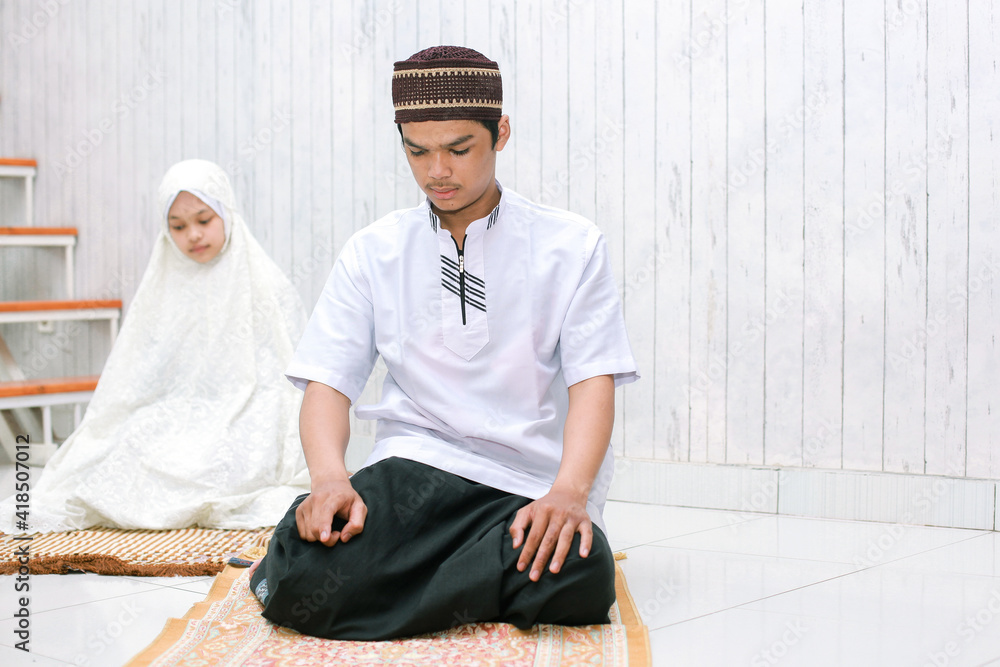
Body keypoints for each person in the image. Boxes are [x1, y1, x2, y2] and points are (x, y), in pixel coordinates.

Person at [250, 46, 638, 640]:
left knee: (582, 575)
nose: (438, 171)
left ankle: (408, 581)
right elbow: (329, 380)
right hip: (417, 470)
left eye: (459, 150)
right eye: (417, 151)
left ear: (499, 132)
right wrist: (329, 478)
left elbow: (594, 381)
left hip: (525, 485)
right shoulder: (372, 251)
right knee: (307, 577)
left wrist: (568, 493)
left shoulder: (572, 246)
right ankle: (469, 581)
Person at [0, 159, 310, 533]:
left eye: (204, 220)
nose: (193, 234)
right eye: (177, 226)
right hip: (179, 410)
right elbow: (137, 377)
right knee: (128, 447)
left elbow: (289, 377)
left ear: (227, 213)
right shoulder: (161, 289)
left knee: (218, 460)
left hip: (247, 412)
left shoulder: (265, 285)